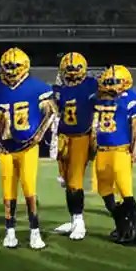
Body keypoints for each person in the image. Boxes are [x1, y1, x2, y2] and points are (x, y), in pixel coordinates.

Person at [0, 48, 57, 250]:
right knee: (8, 191)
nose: (11, 70)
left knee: (29, 188)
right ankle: (10, 231)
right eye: (8, 66)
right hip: (6, 147)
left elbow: (51, 112)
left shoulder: (37, 87)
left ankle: (35, 231)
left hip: (27, 147)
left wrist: (39, 135)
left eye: (15, 66)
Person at [90, 65, 136, 245]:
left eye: (114, 82)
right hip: (102, 151)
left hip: (121, 150)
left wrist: (135, 149)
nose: (111, 86)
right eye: (108, 82)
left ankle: (133, 225)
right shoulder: (97, 98)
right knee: (104, 190)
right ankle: (121, 223)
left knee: (125, 190)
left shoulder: (132, 98)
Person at [51, 53, 98, 240]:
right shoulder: (58, 89)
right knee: (66, 181)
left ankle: (79, 222)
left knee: (75, 181)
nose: (70, 74)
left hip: (81, 137)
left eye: (73, 69)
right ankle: (73, 219)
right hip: (63, 137)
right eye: (67, 70)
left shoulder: (91, 85)